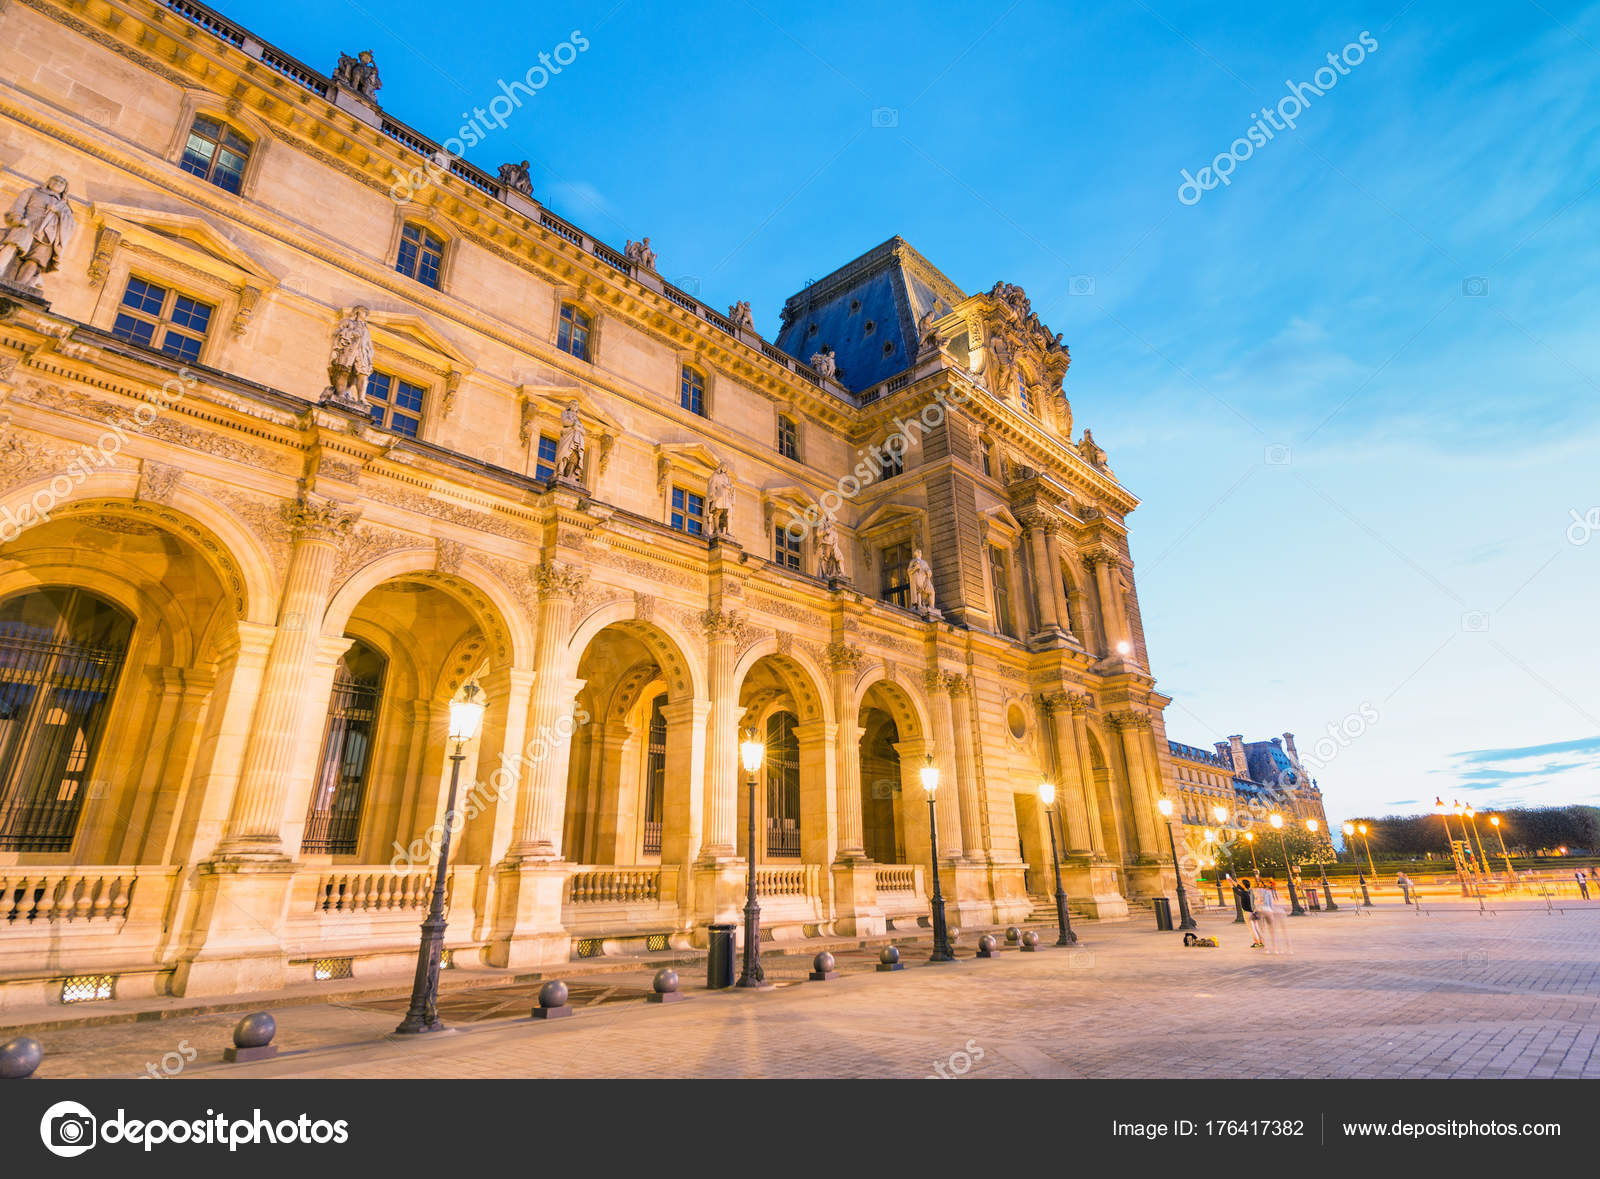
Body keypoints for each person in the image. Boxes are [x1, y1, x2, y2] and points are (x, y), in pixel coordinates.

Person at [1254, 876, 1291, 954]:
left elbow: (1256, 903)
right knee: (1276, 931)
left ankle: (1270, 948)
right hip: (1271, 911)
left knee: (1265, 930)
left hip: (1265, 911)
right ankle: (1280, 949)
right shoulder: (1269, 892)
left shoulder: (1258, 892)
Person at [1234, 876, 1262, 948]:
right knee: (1256, 927)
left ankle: (1256, 942)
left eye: (1241, 884)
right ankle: (1261, 942)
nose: (1241, 884)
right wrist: (1233, 882)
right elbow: (1239, 887)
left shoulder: (1244, 893)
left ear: (1244, 885)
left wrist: (1232, 885)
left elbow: (1236, 890)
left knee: (1251, 928)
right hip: (1254, 911)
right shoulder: (1250, 891)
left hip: (1247, 913)